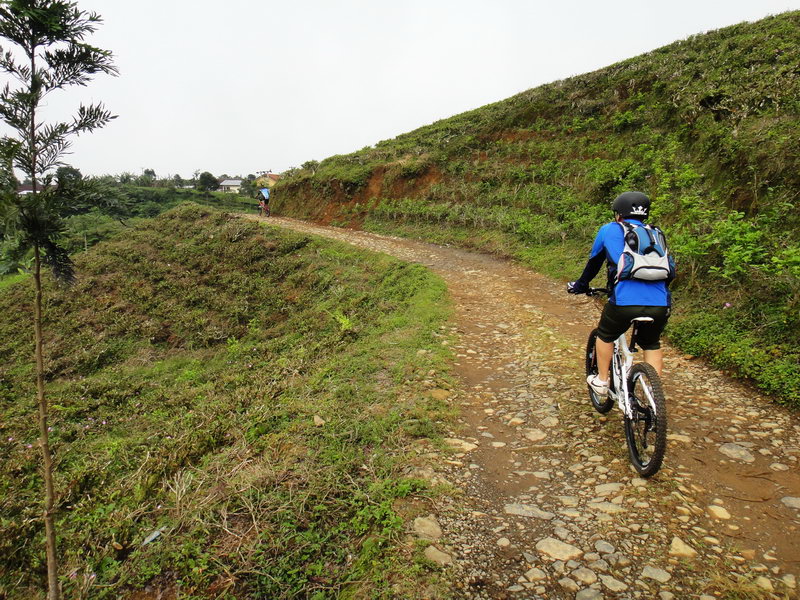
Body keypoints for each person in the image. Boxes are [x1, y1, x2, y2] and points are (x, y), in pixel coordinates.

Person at [567, 191, 673, 396]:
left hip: (624, 301)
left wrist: (580, 285)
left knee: (605, 334)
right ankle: (654, 394)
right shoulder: (655, 234)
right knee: (651, 343)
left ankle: (602, 381)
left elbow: (594, 263)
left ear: (619, 214)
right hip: (660, 303)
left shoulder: (609, 230)